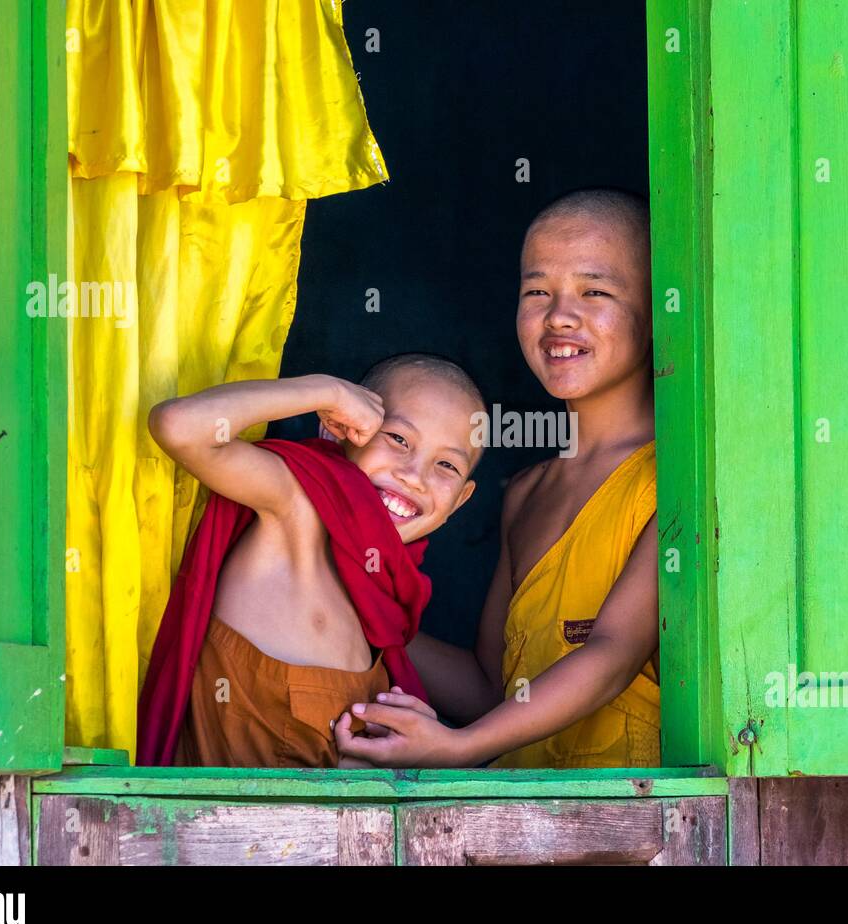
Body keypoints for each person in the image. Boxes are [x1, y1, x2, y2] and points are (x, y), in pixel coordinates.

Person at [336, 188, 661, 768]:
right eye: (537, 291)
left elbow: (612, 654)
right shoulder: (525, 494)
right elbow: (493, 687)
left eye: (596, 291)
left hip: (634, 821)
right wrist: (357, 609)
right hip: (516, 816)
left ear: (661, 305)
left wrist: (459, 748)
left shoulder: (677, 477)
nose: (559, 314)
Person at [135, 354, 483, 767]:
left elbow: (487, 702)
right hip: (221, 830)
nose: (414, 475)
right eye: (398, 439)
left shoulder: (385, 596)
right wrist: (326, 390)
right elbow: (178, 427)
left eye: (446, 464)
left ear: (460, 500)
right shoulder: (296, 507)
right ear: (340, 429)